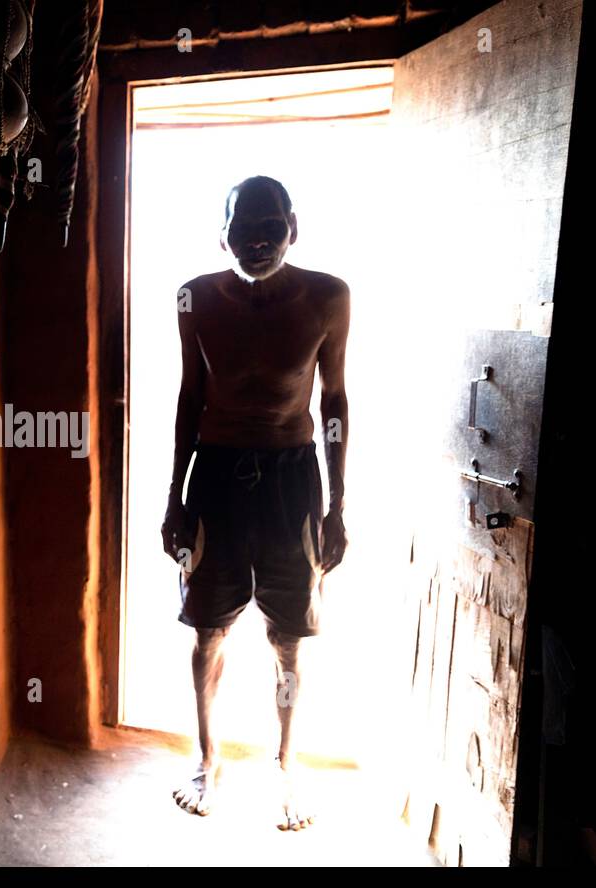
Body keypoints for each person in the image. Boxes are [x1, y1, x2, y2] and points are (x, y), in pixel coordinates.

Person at [160, 176, 350, 829]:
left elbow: (334, 400)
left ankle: (285, 764)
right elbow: (190, 397)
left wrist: (338, 505)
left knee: (288, 637)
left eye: (271, 227)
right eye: (243, 229)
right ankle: (207, 759)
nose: (258, 241)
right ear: (223, 236)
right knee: (208, 628)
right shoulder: (196, 298)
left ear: (293, 227)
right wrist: (173, 499)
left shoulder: (327, 297)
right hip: (215, 476)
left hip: (292, 481)